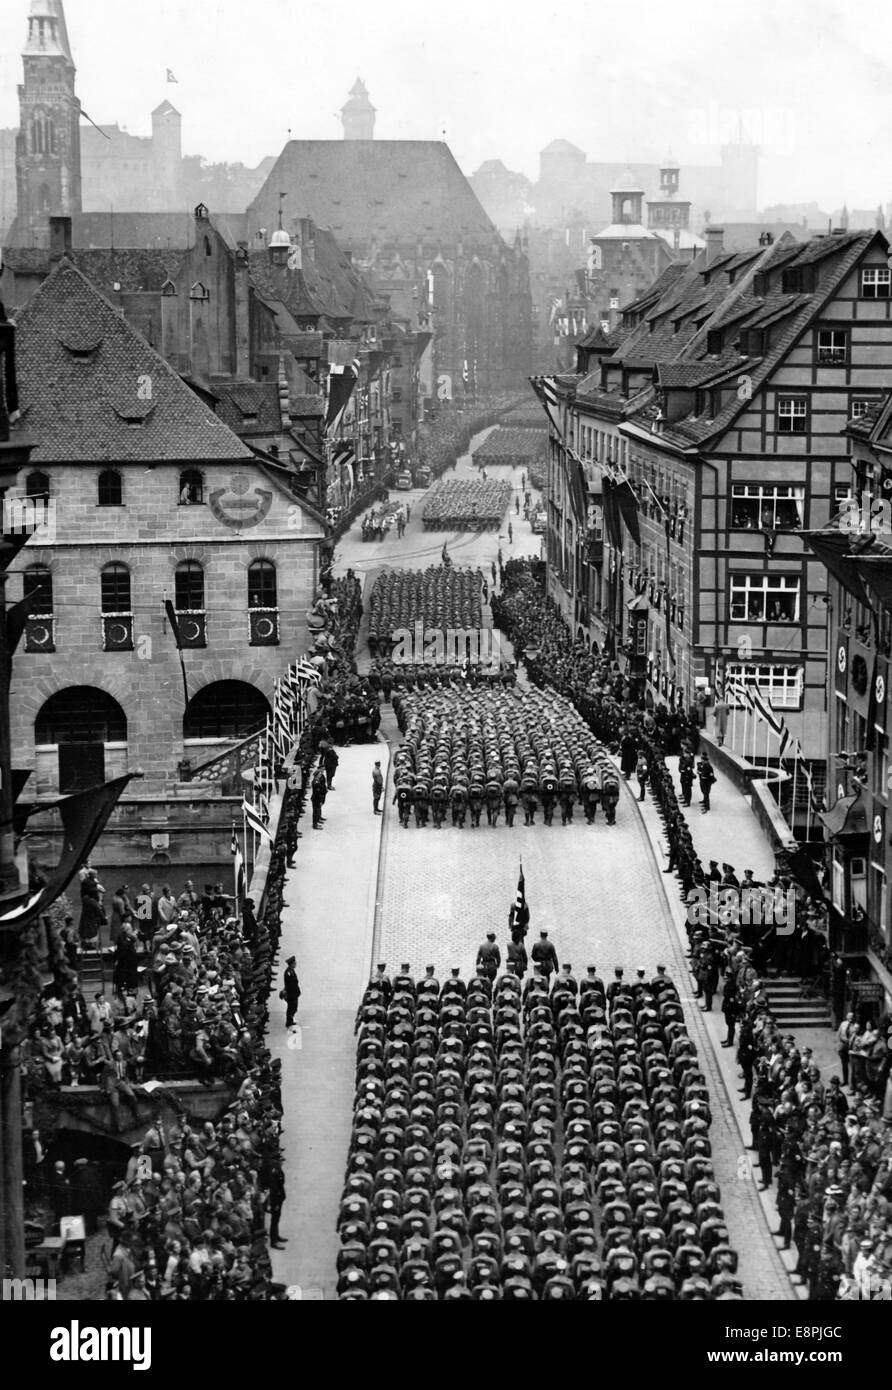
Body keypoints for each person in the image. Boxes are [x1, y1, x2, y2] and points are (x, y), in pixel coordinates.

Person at [283, 957, 301, 1028]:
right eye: (294, 963)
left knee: (294, 1008)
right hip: (291, 993)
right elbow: (290, 984)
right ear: (291, 964)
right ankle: (288, 1022)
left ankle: (290, 1020)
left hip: (293, 993)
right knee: (291, 1008)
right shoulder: (289, 972)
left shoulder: (291, 971)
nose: (295, 964)